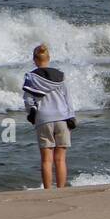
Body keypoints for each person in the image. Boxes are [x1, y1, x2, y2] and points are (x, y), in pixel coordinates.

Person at [22, 43, 76, 189]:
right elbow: (68, 99)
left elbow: (28, 100)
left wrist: (31, 113)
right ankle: (61, 189)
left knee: (46, 160)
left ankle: (48, 191)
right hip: (62, 118)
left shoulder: (31, 77)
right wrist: (71, 117)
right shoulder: (60, 76)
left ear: (34, 59)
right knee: (60, 159)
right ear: (49, 58)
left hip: (44, 119)